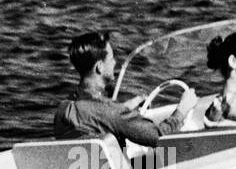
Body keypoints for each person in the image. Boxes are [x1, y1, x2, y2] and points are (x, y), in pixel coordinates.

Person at [54, 30, 199, 148]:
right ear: (99, 67)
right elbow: (158, 137)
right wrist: (182, 110)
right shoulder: (110, 111)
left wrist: (125, 107)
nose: (115, 62)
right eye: (111, 58)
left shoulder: (64, 107)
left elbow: (94, 115)